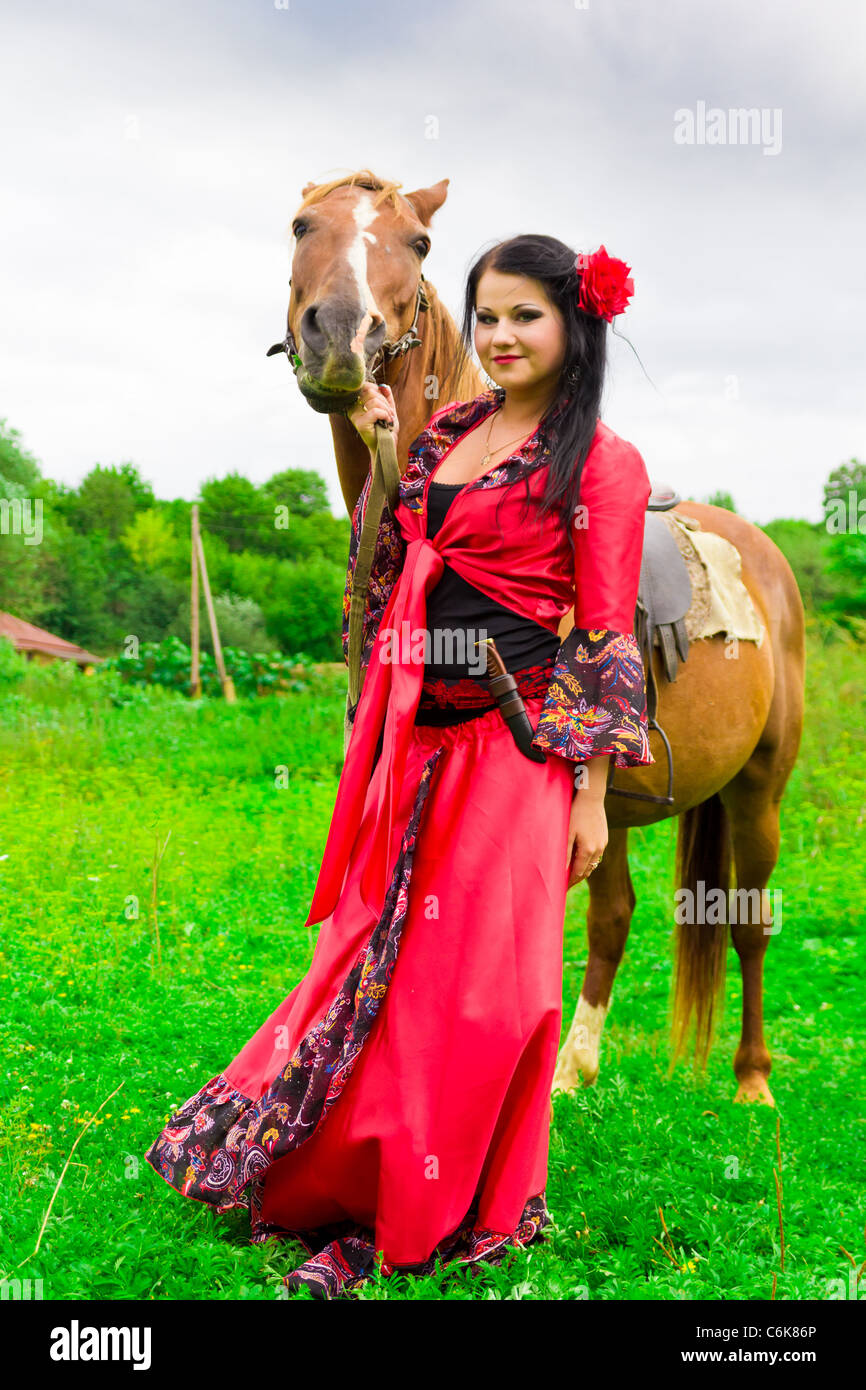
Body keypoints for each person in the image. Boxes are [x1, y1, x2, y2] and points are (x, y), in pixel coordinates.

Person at [144, 234, 655, 1299]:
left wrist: (593, 797)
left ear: (575, 324)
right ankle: (352, 1173)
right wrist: (382, 449)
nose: (501, 336)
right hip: (412, 740)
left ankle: (436, 1208)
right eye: (487, 316)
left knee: (477, 996)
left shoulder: (600, 462)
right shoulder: (453, 428)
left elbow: (601, 636)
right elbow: (405, 541)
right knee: (377, 964)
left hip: (511, 755)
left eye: (525, 315)